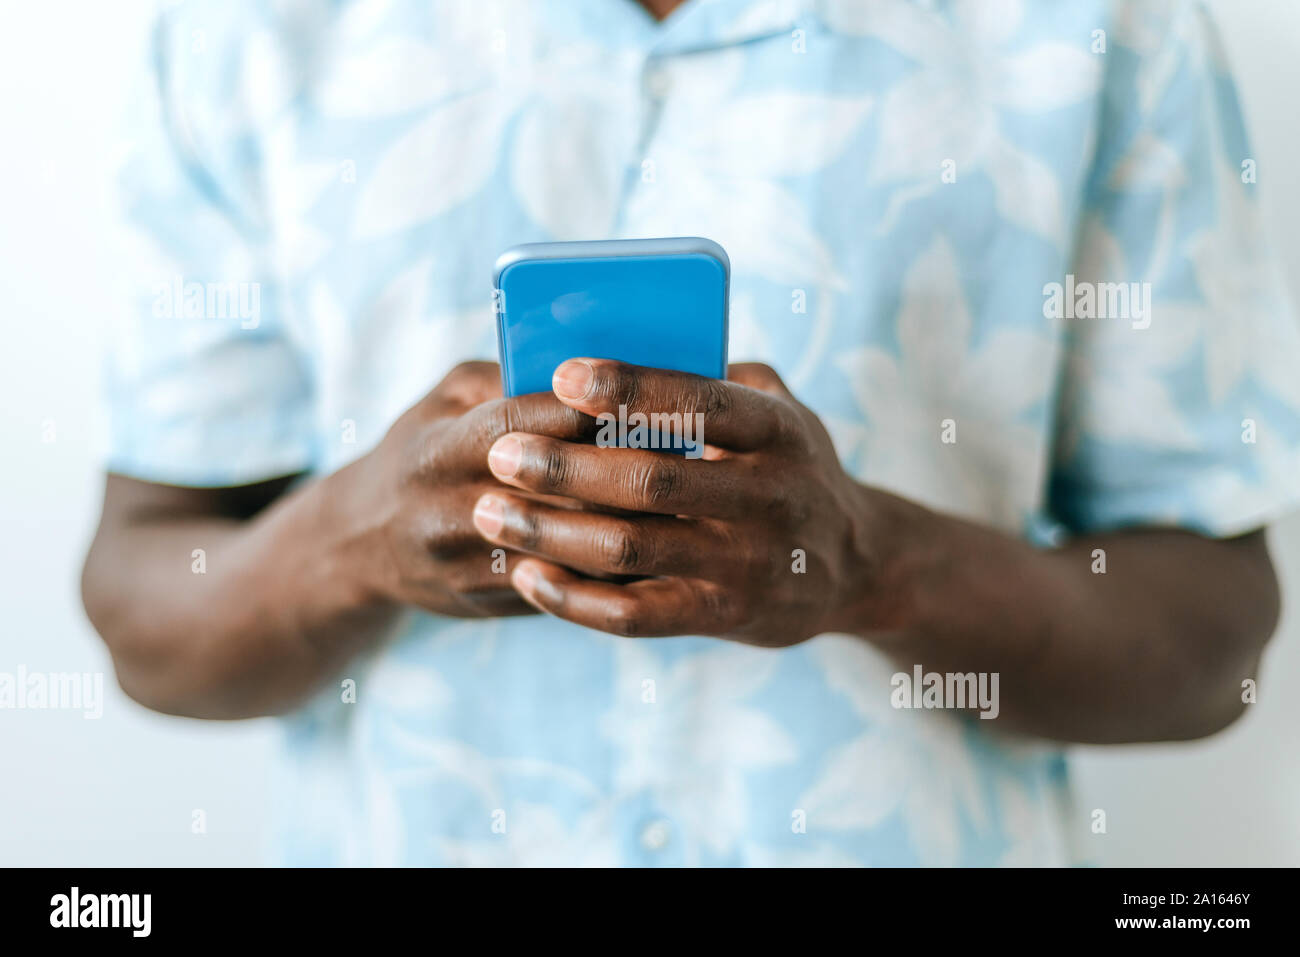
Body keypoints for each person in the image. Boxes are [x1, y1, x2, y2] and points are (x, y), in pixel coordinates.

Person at [82, 0, 1300, 866]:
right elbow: (148, 619)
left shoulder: (1106, 28)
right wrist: (356, 543)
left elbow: (1212, 644)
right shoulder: (240, 34)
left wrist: (870, 562)